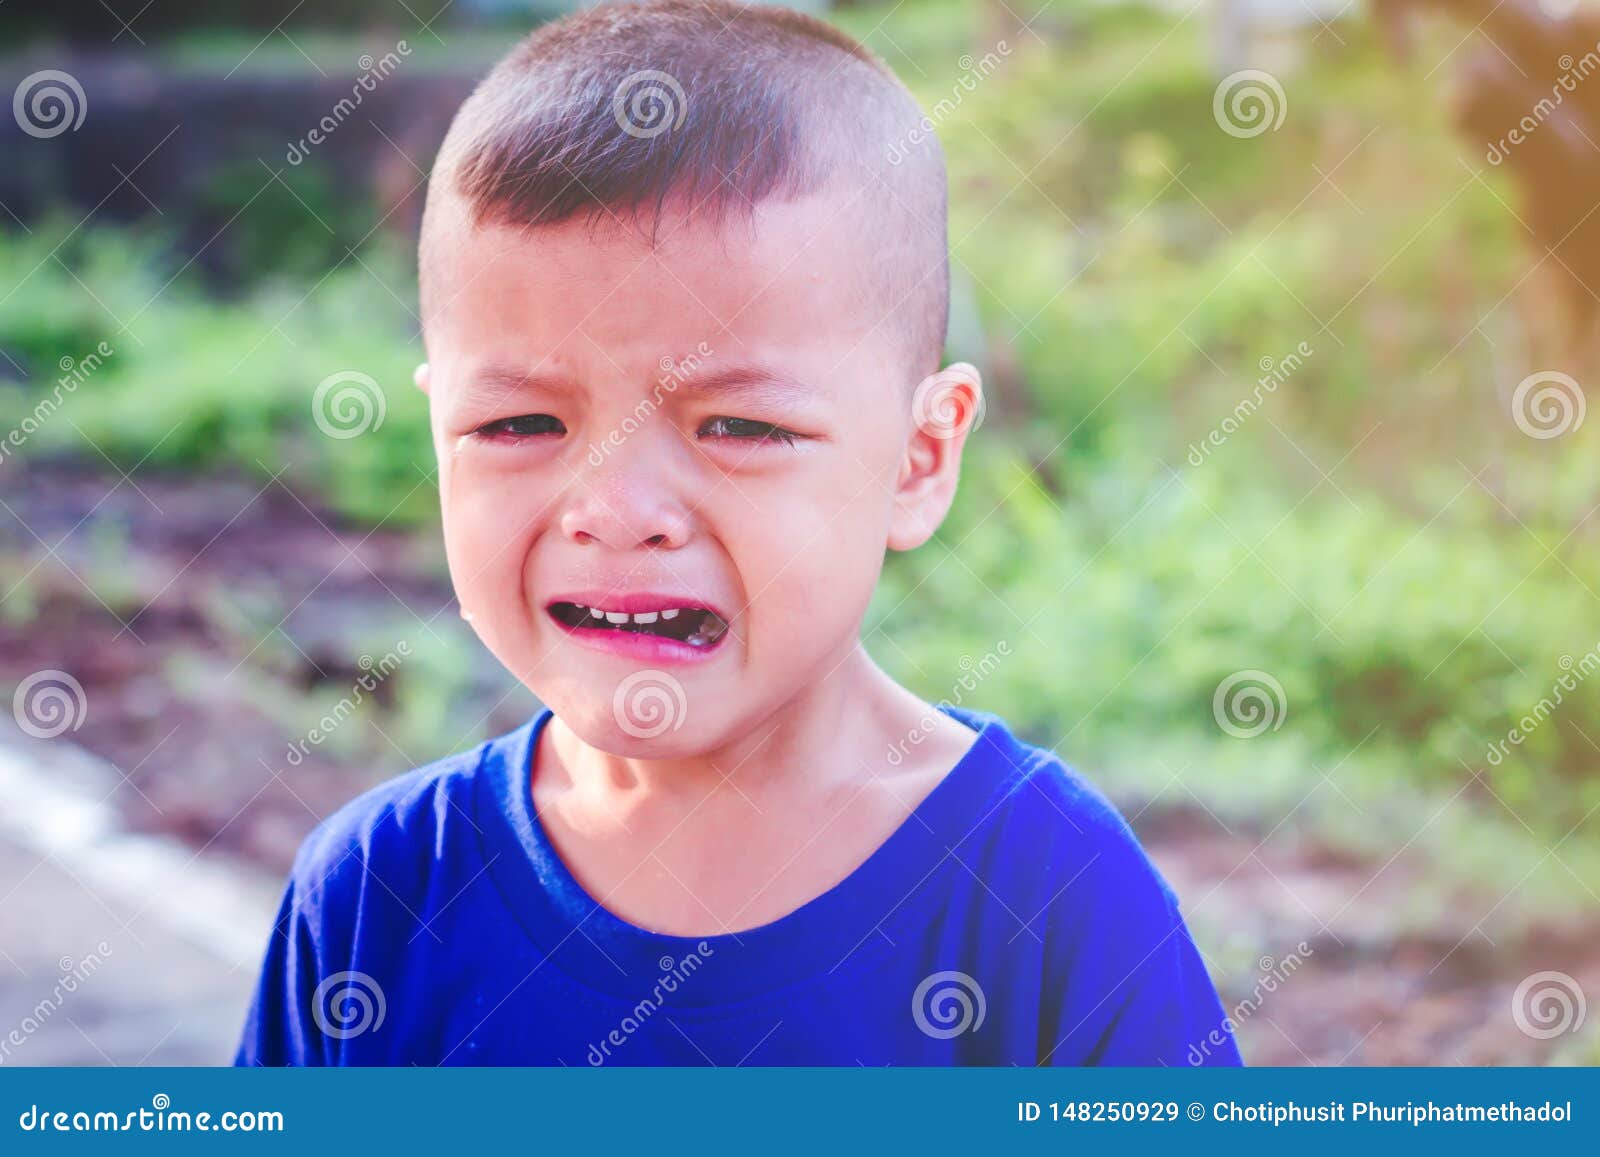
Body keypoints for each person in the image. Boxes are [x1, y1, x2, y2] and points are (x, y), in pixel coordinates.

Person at [235, 0, 1241, 1067]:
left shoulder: (1046, 894)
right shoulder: (374, 900)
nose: (616, 511)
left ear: (919, 457)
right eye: (518, 422)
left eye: (740, 426)